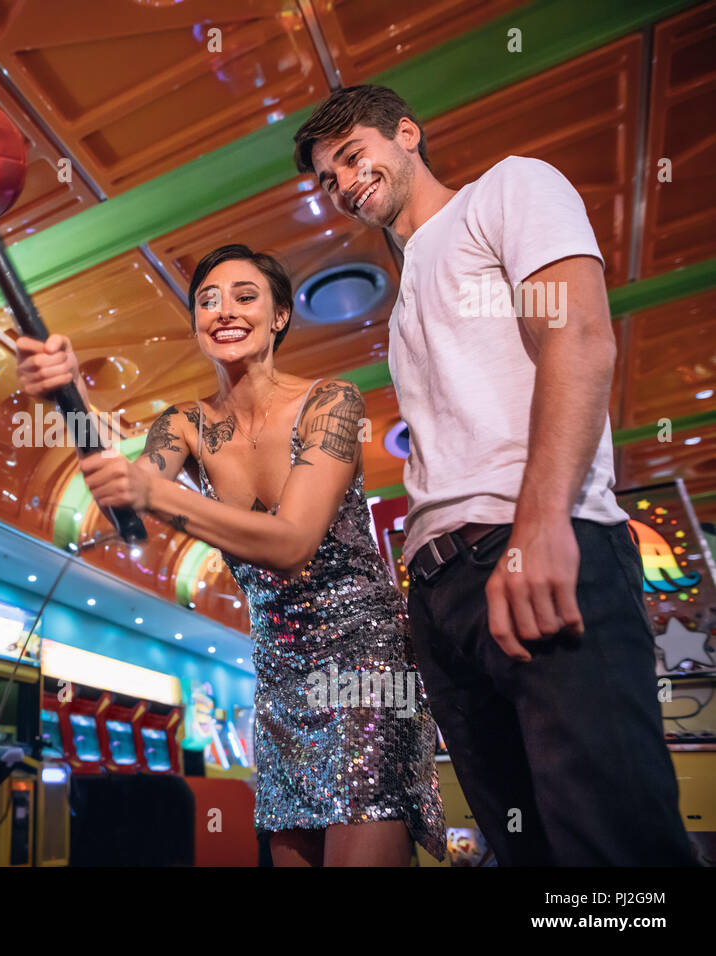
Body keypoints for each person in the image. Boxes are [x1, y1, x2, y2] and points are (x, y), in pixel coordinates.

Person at [293, 85, 694, 865]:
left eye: (351, 156)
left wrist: (541, 526)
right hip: (443, 596)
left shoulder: (509, 186)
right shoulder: (406, 296)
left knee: (612, 850)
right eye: (326, 180)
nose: (342, 184)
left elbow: (578, 336)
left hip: (533, 543)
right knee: (529, 853)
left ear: (407, 132)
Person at [16, 244, 445, 866]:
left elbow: (293, 543)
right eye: (208, 300)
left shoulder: (332, 401)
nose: (224, 311)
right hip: (278, 666)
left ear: (278, 317)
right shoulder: (182, 423)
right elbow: (125, 505)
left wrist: (156, 493)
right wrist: (69, 401)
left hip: (364, 660)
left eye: (246, 297)